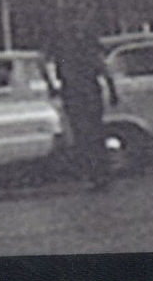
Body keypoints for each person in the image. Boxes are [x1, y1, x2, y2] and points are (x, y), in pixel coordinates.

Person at [47, 27, 120, 190]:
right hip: (87, 95)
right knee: (93, 134)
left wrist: (55, 89)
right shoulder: (86, 54)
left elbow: (55, 74)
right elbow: (104, 71)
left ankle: (95, 173)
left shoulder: (66, 56)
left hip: (77, 96)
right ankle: (99, 172)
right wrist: (113, 93)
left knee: (84, 136)